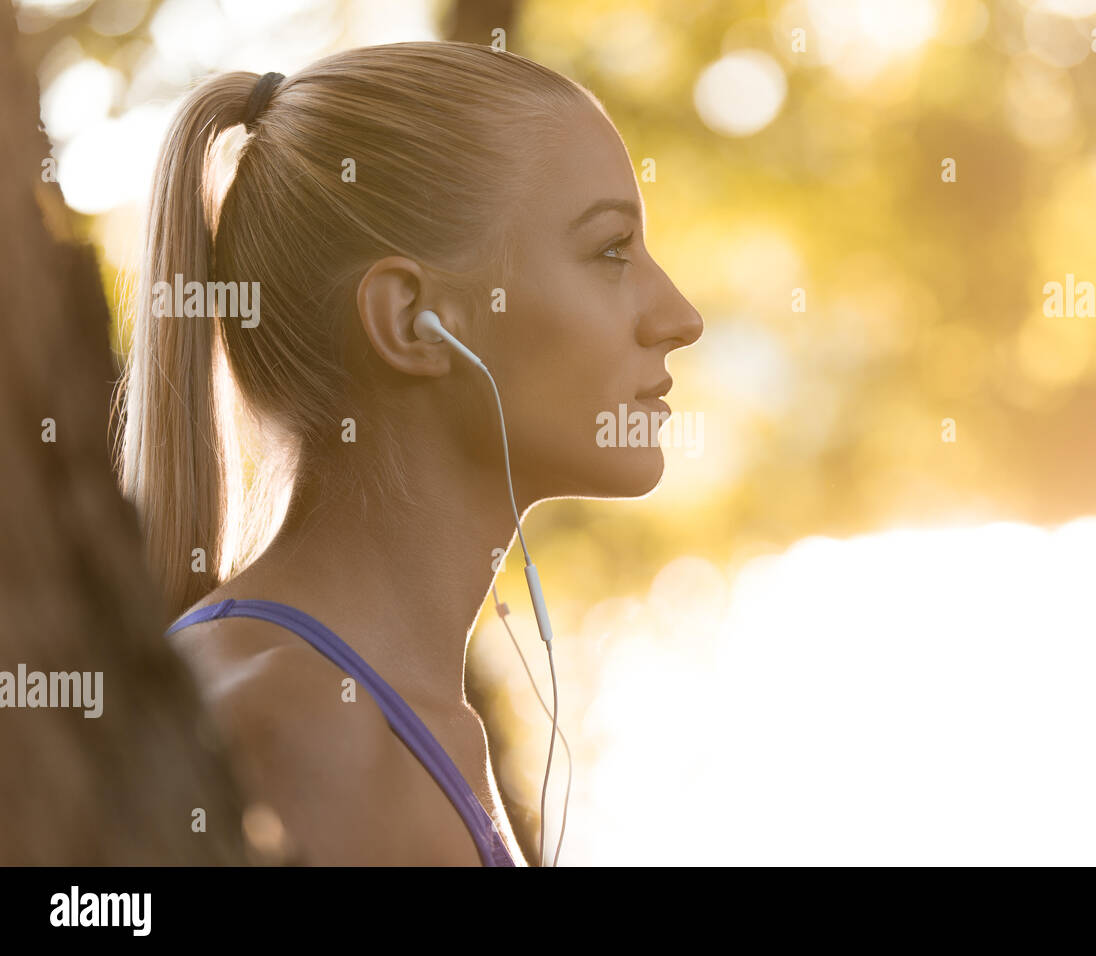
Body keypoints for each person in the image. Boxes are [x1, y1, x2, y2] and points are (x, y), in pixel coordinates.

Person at [115, 41, 704, 866]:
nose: (680, 316)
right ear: (411, 322)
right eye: (611, 250)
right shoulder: (305, 728)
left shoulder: (397, 719)